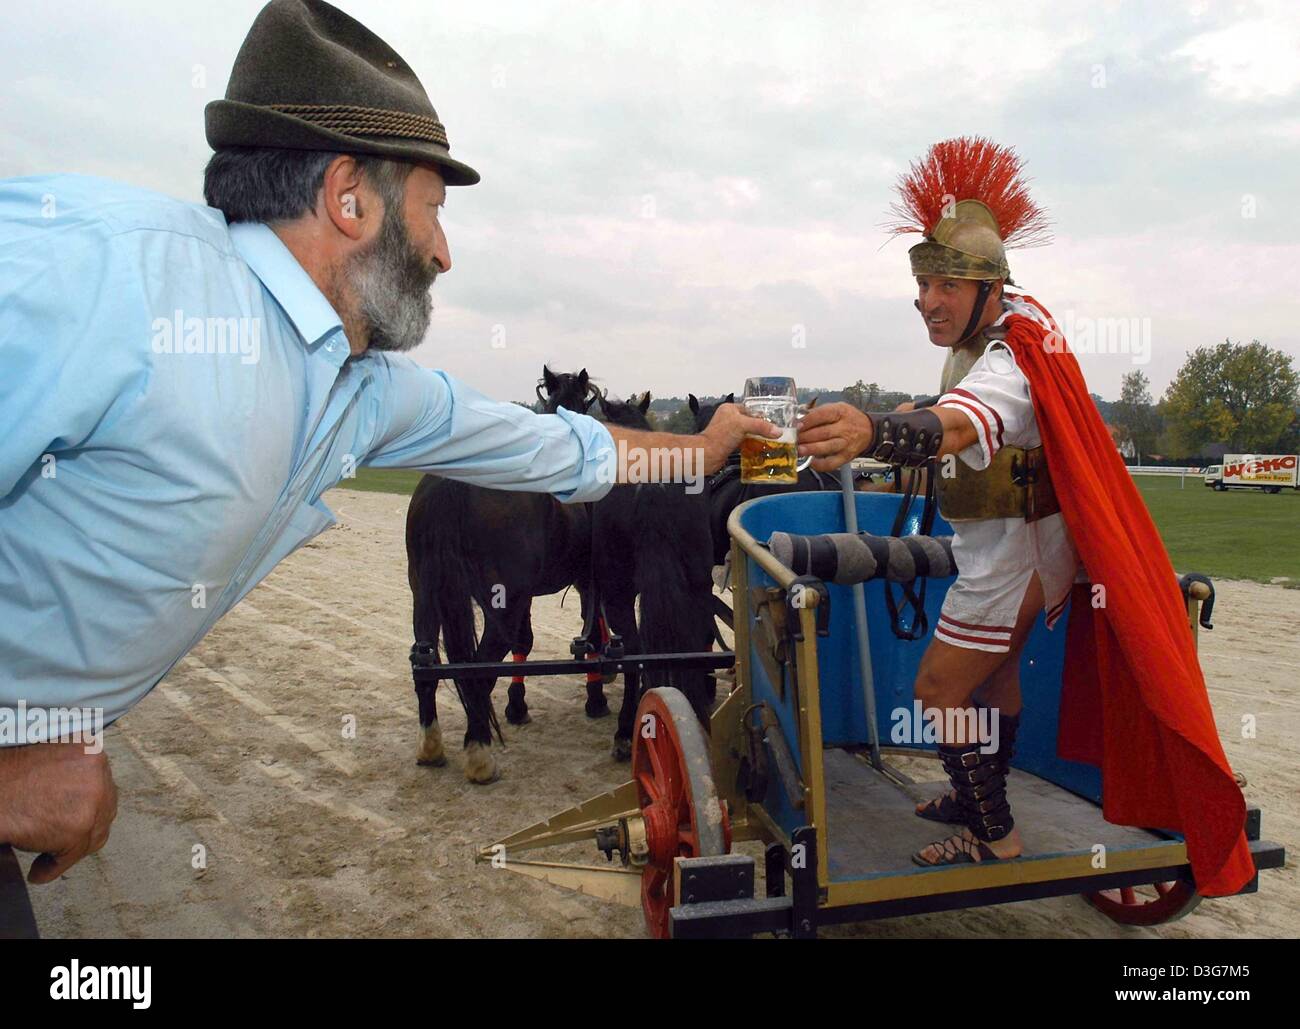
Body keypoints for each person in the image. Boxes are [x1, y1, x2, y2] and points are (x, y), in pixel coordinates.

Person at [0, 0, 774, 886]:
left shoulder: (359, 386)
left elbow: (560, 449)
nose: (445, 253)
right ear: (349, 198)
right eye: (434, 211)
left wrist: (703, 449)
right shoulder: (102, 275)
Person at [797, 138, 1253, 895]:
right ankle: (980, 795)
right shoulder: (1016, 323)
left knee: (939, 692)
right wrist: (912, 413)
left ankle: (993, 833)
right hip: (1020, 551)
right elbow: (949, 409)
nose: (929, 302)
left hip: (1013, 558)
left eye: (947, 284)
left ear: (987, 287)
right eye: (923, 286)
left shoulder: (1009, 360)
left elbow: (960, 423)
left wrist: (875, 431)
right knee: (996, 679)